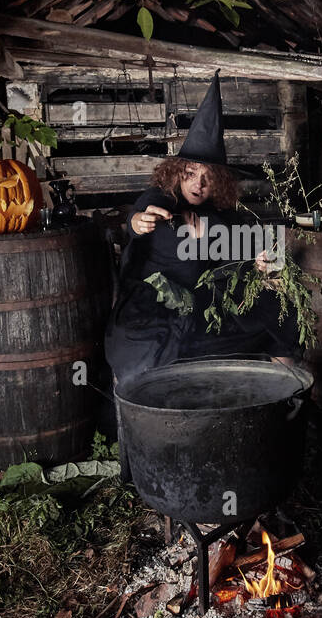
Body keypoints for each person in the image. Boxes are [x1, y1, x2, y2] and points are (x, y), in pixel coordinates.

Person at [104, 72, 302, 392]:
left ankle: (286, 397)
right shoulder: (162, 197)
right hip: (156, 302)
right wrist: (137, 220)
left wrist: (262, 262)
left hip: (205, 303)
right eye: (191, 173)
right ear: (177, 172)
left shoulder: (220, 214)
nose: (199, 183)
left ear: (220, 182)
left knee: (280, 312)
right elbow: (141, 215)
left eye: (208, 177)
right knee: (154, 344)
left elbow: (253, 245)